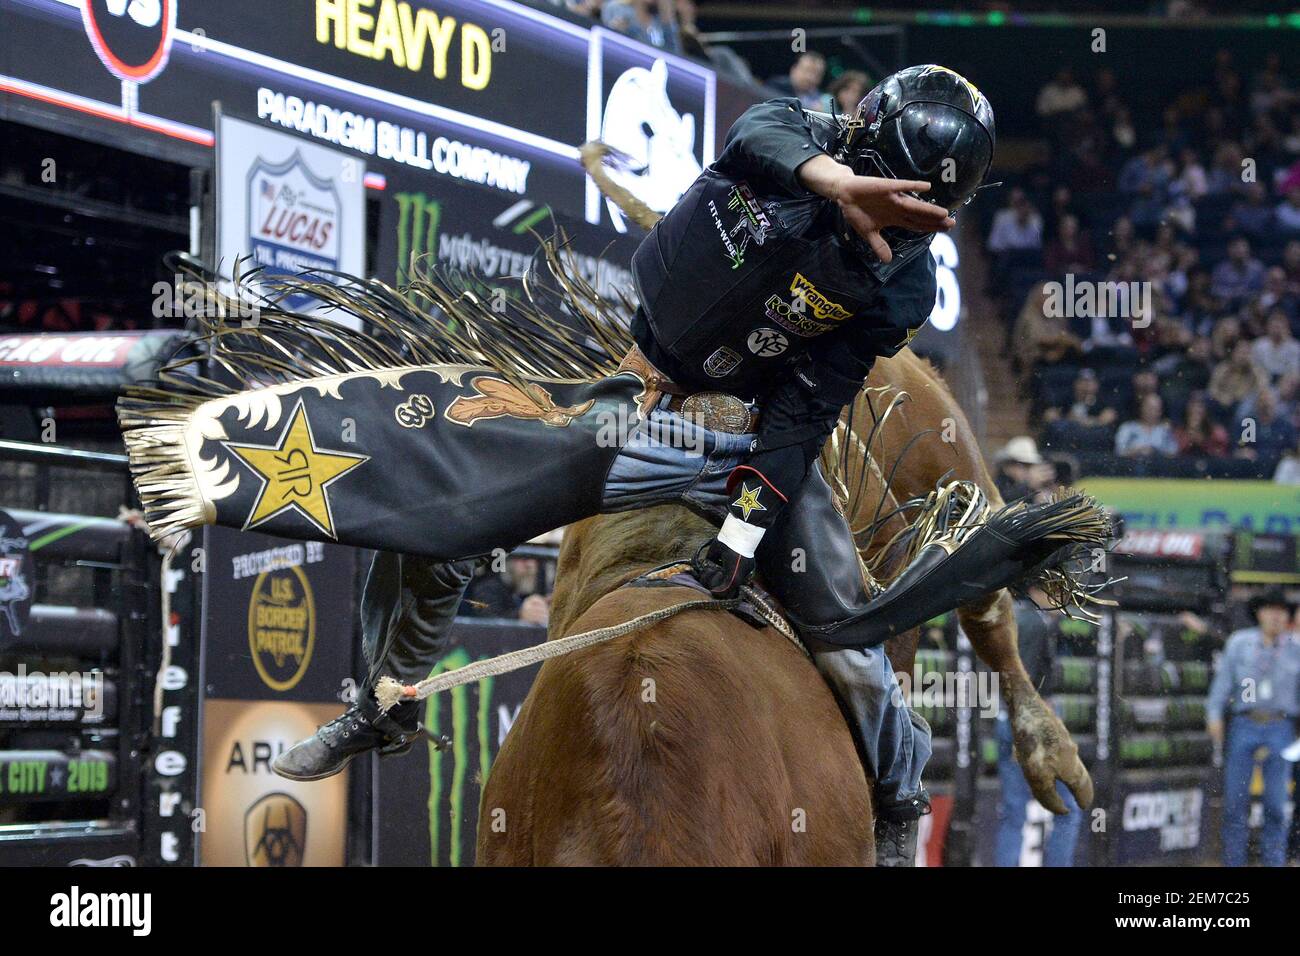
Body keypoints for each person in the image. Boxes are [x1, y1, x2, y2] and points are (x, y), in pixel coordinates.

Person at [267, 68, 1085, 865]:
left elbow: (810, 403)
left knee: (849, 638)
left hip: (750, 440)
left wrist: (742, 531)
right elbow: (751, 136)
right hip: (637, 411)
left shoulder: (900, 289)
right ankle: (385, 700)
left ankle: (896, 800)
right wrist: (833, 182)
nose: (889, 220)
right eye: (882, 191)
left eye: (913, 210)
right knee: (444, 500)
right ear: (853, 145)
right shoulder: (793, 137)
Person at [1206, 590, 1300, 866]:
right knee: (1235, 804)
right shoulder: (1239, 643)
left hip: (1281, 726)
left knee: (1276, 805)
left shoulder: (1296, 648)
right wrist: (1214, 713)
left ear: (1288, 616)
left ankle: (1274, 862)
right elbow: (1223, 682)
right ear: (1258, 613)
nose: (1276, 615)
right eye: (1270, 609)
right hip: (1244, 723)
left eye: (1281, 610)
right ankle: (1233, 864)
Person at [994, 586, 1083, 866]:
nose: (1065, 597)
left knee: (1014, 813)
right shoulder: (1034, 623)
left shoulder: (1013, 617)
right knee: (1068, 809)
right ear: (1040, 589)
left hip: (1006, 720)